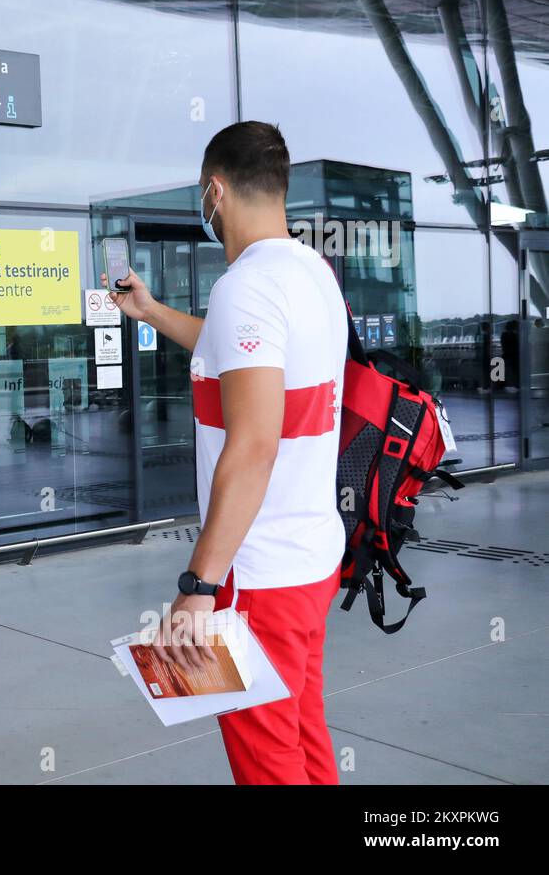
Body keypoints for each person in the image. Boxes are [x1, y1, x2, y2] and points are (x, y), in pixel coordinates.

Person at [109, 121, 347, 785]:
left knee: (267, 761)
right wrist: (154, 313)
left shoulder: (244, 286)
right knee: (301, 730)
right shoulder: (311, 273)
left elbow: (254, 445)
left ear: (214, 191)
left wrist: (199, 586)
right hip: (310, 556)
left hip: (258, 571)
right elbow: (235, 354)